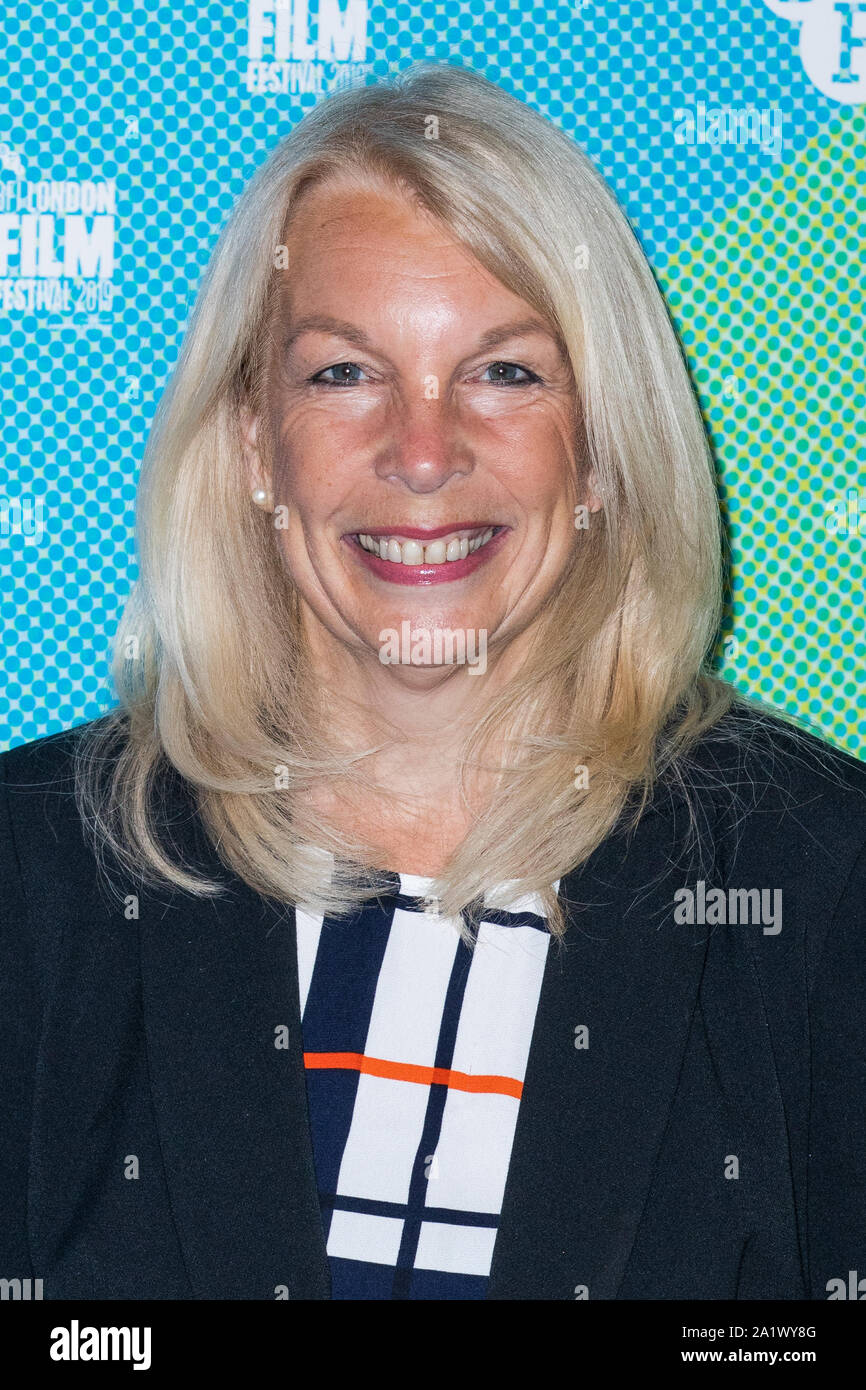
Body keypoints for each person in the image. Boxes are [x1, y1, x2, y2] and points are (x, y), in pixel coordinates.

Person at [1, 61, 864, 1302]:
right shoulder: (32, 877)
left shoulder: (817, 884)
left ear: (600, 454)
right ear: (254, 441)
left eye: (503, 372)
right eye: (343, 373)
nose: (421, 452)